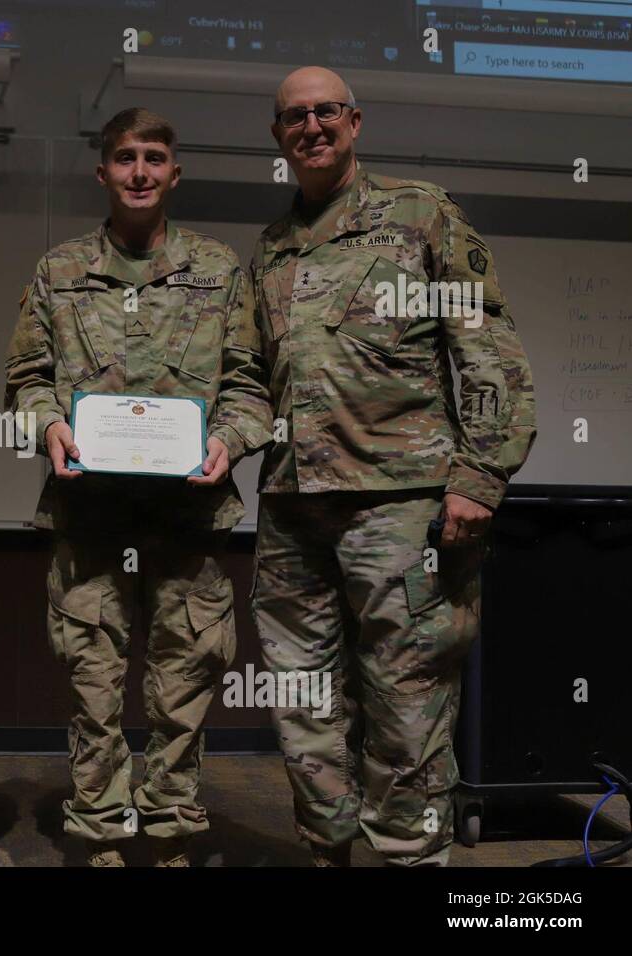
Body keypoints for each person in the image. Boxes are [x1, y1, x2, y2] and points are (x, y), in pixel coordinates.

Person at [250, 67, 536, 866]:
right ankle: (330, 850)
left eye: (326, 112)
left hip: (403, 508)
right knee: (302, 707)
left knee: (407, 706)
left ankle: (410, 858)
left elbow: (487, 352)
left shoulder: (420, 213)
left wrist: (479, 477)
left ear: (355, 121)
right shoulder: (271, 248)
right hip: (292, 512)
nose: (312, 126)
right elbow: (251, 377)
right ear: (277, 136)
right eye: (295, 116)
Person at [5, 108, 272, 867]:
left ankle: (170, 836)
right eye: (125, 157)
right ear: (103, 172)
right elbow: (26, 381)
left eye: (155, 157)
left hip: (187, 521)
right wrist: (49, 427)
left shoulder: (222, 272)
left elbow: (250, 385)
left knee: (183, 692)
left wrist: (229, 439)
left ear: (175, 172)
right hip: (90, 520)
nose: (141, 171)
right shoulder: (58, 272)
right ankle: (99, 835)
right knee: (93, 692)